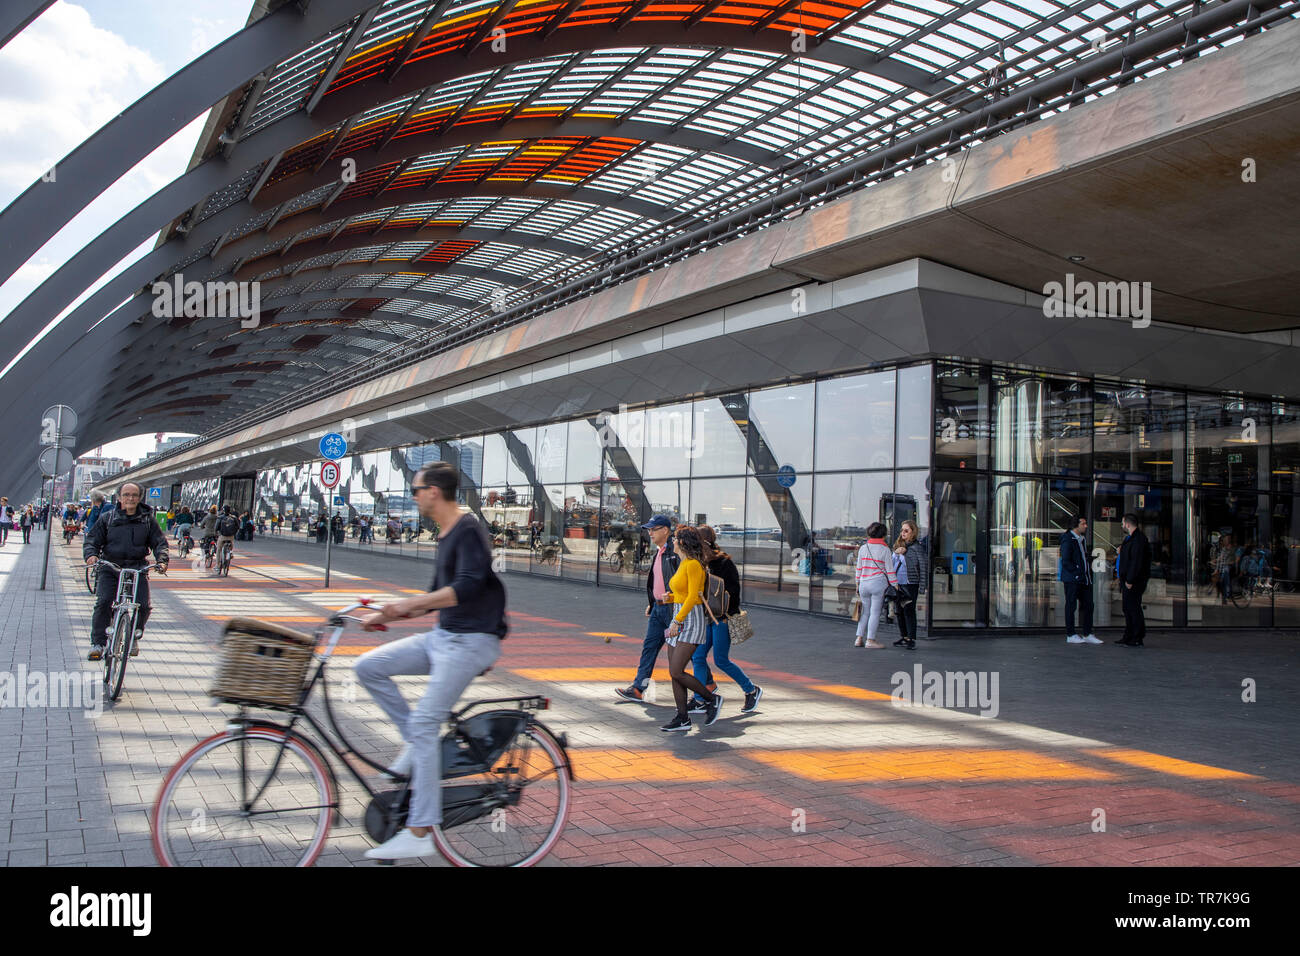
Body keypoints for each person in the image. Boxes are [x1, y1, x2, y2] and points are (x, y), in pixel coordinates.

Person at [354, 461, 507, 860]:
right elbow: (435, 594)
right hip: (444, 637)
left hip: (471, 641)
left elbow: (467, 586)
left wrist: (409, 604)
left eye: (416, 488)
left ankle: (419, 830)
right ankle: (416, 744)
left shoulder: (469, 529)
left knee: (424, 722)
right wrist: (386, 615)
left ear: (434, 491)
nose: (413, 494)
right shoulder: (445, 533)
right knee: (368, 667)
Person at [83, 482, 168, 660]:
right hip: (110, 567)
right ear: (119, 497)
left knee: (143, 606)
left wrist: (162, 560)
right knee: (104, 601)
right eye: (127, 495)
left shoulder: (147, 520)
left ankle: (134, 635)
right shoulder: (108, 518)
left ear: (139, 498)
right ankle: (98, 644)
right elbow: (92, 540)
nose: (130, 498)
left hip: (137, 567)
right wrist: (91, 555)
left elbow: (159, 543)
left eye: (134, 495)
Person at [687, 525, 762, 715]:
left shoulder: (723, 562)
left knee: (720, 659)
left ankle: (751, 689)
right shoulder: (698, 563)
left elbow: (734, 592)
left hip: (722, 618)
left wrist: (723, 610)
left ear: (702, 542)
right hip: (708, 618)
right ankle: (700, 698)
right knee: (698, 656)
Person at [659, 524, 722, 731]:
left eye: (675, 538)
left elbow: (694, 597)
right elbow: (684, 594)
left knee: (677, 671)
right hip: (679, 616)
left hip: (689, 621)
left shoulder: (694, 564)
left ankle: (711, 699)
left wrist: (677, 621)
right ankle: (682, 718)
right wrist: (670, 599)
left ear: (683, 542)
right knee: (674, 672)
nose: (673, 541)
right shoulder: (683, 562)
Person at [615, 515, 680, 703]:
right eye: (648, 529)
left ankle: (706, 689)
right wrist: (653, 602)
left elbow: (682, 582)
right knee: (649, 648)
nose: (649, 533)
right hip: (658, 610)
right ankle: (637, 689)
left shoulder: (674, 553)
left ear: (665, 530)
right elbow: (657, 582)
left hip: (673, 609)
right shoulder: (659, 552)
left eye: (653, 529)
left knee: (683, 653)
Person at [854, 522, 897, 648]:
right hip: (878, 583)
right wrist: (895, 585)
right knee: (875, 612)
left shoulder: (863, 548)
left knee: (865, 612)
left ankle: (859, 638)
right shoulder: (885, 549)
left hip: (863, 583)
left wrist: (857, 583)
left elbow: (859, 568)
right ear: (883, 535)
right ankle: (870, 640)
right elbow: (890, 570)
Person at [1059, 515, 1099, 644]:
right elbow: (1065, 560)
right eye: (1083, 523)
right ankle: (1071, 634)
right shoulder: (1068, 539)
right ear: (1076, 525)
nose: (1086, 526)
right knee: (1071, 605)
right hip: (1073, 579)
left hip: (1083, 578)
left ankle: (1087, 633)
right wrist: (1077, 572)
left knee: (1088, 605)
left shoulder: (1081, 539)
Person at [891, 519, 928, 650]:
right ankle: (904, 636)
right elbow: (891, 565)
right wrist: (896, 554)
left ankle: (911, 638)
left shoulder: (917, 547)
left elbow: (922, 566)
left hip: (910, 583)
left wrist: (923, 586)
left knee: (909, 610)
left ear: (913, 532)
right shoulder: (898, 545)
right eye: (902, 530)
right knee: (899, 611)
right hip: (898, 583)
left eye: (906, 530)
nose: (903, 533)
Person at [1115, 513, 1151, 647]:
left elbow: (1136, 562)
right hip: (1127, 580)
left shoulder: (1139, 540)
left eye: (1123, 523)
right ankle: (1129, 635)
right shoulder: (1130, 539)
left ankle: (1136, 637)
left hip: (1134, 581)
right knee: (1127, 608)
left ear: (1128, 524)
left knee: (1133, 608)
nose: (1122, 525)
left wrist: (1130, 580)